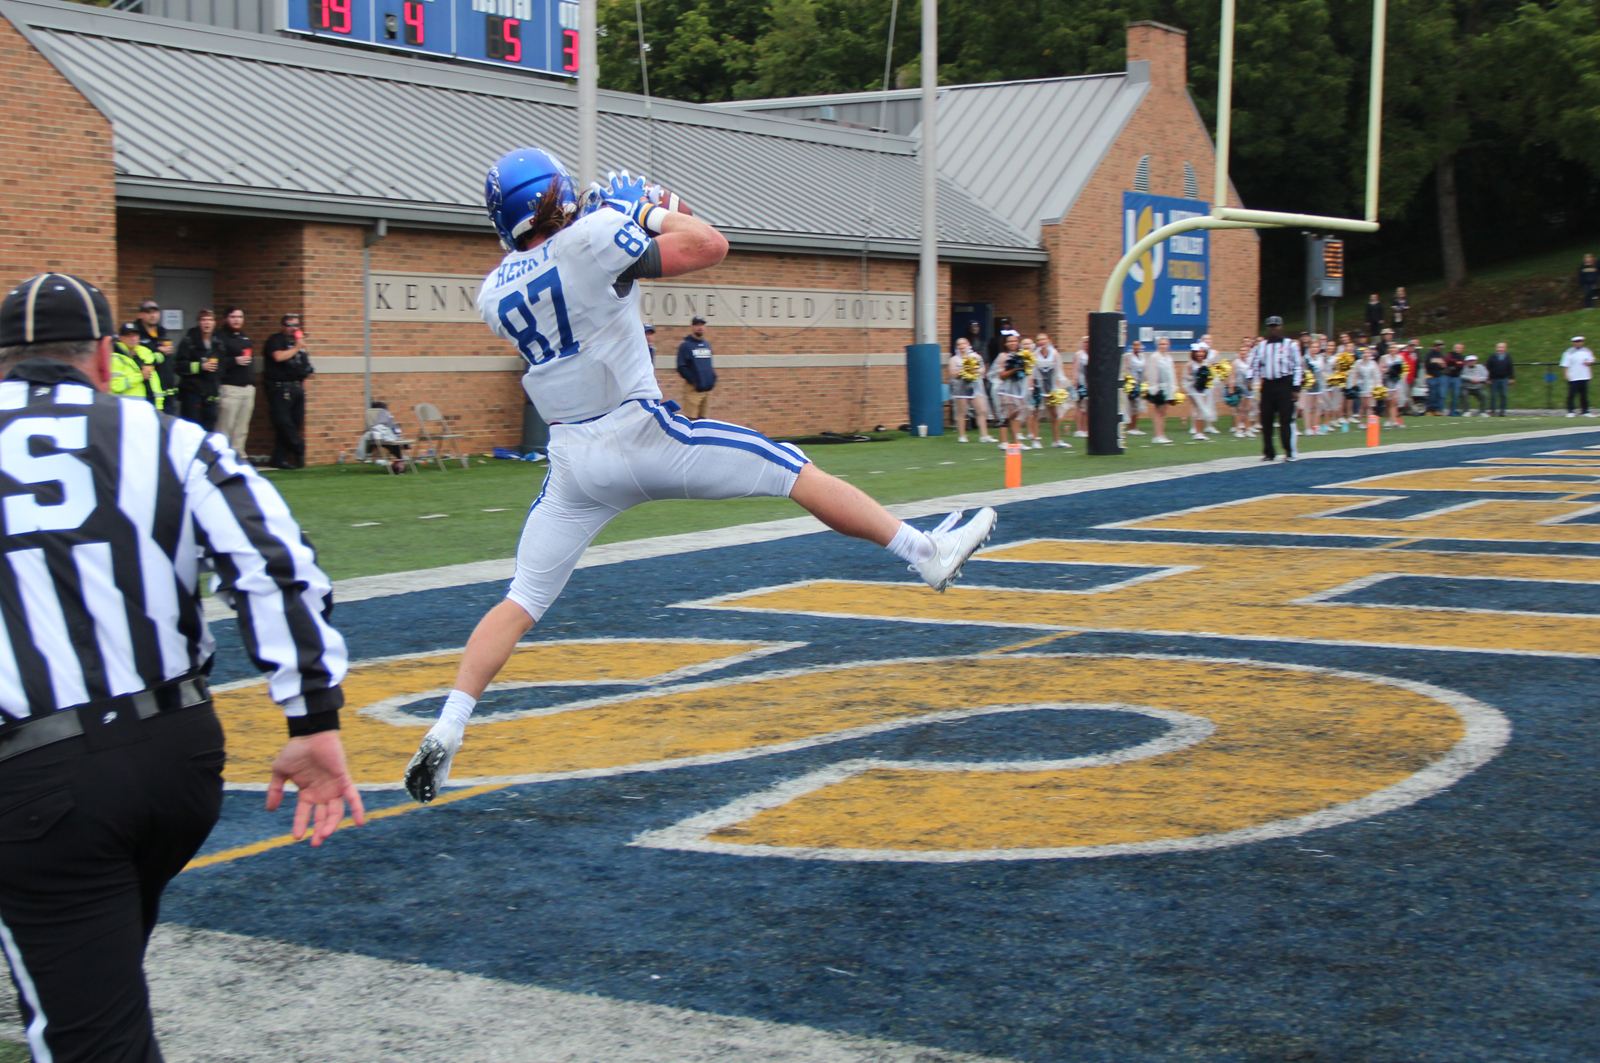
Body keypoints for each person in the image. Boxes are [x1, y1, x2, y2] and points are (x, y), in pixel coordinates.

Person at [402, 152, 997, 801]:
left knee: (520, 601)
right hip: (643, 434)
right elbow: (709, 245)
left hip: (573, 464)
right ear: (558, 194)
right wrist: (651, 206)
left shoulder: (493, 292)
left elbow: (568, 272)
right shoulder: (593, 237)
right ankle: (924, 551)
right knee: (792, 473)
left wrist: (613, 220)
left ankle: (448, 725)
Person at [0, 272, 363, 1063]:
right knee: (95, 973)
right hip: (176, 755)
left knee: (86, 1033)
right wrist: (312, 720)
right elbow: (280, 569)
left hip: (36, 778)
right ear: (104, 355)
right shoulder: (167, 437)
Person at [261, 313, 313, 469]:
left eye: (296, 325)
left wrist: (300, 349)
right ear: (282, 326)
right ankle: (299, 448)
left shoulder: (299, 345)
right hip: (280, 388)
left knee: (294, 424)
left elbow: (305, 367)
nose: (293, 329)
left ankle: (280, 458)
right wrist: (297, 347)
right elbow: (278, 357)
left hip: (297, 387)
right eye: (289, 325)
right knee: (283, 423)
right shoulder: (275, 340)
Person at [1248, 316, 1302, 462]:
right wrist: (1251, 378)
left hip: (1285, 384)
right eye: (1271, 326)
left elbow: (1298, 366)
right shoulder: (1262, 345)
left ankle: (1289, 451)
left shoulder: (1290, 344)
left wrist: (1296, 387)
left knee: (1286, 419)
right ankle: (1269, 452)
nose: (1273, 329)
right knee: (1266, 419)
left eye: (1276, 326)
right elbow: (1255, 363)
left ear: (1281, 327)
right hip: (1268, 385)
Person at [214, 307, 255, 457]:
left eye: (240, 317)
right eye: (233, 316)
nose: (237, 320)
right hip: (229, 388)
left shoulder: (244, 337)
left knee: (242, 428)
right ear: (226, 318)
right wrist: (234, 360)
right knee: (225, 427)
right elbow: (216, 362)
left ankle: (239, 457)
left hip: (247, 388)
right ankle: (220, 458)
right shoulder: (219, 338)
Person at [173, 308, 222, 430]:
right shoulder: (188, 342)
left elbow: (222, 368)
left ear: (214, 323)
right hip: (192, 395)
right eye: (204, 320)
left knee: (209, 430)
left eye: (210, 320)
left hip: (210, 395)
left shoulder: (218, 344)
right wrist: (200, 366)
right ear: (199, 322)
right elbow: (178, 365)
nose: (207, 323)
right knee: (192, 430)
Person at [133, 299, 175, 413]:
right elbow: (137, 360)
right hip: (148, 393)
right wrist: (158, 352)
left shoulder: (163, 333)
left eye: (155, 312)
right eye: (148, 312)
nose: (152, 315)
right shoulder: (135, 335)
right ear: (140, 315)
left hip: (167, 392)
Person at [949, 336, 994, 443]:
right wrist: (964, 371)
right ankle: (962, 435)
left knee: (982, 410)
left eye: (963, 343)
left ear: (969, 345)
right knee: (962, 412)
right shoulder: (954, 359)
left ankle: (984, 435)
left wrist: (973, 370)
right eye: (959, 344)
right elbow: (953, 374)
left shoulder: (976, 357)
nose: (961, 346)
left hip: (975, 386)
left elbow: (983, 370)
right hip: (961, 387)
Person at [988, 332, 1029, 448]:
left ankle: (1017, 442)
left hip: (1018, 389)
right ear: (1006, 344)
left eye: (1015, 341)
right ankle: (1004, 442)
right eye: (1010, 341)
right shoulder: (1003, 356)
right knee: (1005, 415)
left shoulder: (1023, 356)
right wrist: (1015, 369)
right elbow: (1001, 375)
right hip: (1004, 389)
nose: (1013, 343)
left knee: (1017, 415)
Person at [1031, 332, 1071, 448]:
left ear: (1048, 340)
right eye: (1039, 340)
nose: (1041, 342)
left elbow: (1059, 372)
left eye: (1044, 339)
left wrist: (1057, 388)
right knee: (1036, 413)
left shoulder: (1055, 355)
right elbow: (1031, 374)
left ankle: (1057, 440)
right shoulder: (1034, 355)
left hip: (1051, 387)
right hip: (1038, 387)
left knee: (1054, 414)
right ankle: (1035, 439)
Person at [675, 315, 715, 419]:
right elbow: (681, 367)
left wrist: (712, 378)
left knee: (704, 421)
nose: (700, 327)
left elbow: (708, 365)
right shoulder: (685, 346)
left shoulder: (707, 345)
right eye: (697, 325)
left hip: (706, 390)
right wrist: (694, 381)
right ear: (691, 327)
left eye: (702, 325)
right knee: (692, 420)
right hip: (693, 391)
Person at [1142, 336, 1179, 444]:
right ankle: (1157, 435)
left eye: (1165, 344)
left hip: (1168, 386)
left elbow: (1172, 373)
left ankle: (1162, 434)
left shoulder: (1168, 357)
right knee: (1158, 411)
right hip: (1159, 387)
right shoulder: (1155, 357)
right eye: (1161, 344)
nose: (1163, 346)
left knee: (1163, 411)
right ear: (1157, 345)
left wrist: (1174, 387)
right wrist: (1154, 388)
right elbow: (1151, 373)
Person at [111, 322, 153, 401]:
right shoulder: (115, 358)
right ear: (121, 338)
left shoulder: (144, 354)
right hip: (125, 404)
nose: (132, 338)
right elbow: (115, 385)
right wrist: (140, 376)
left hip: (144, 402)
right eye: (128, 336)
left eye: (135, 335)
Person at [1561, 335, 1594, 417]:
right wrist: (1566, 374)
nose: (1578, 343)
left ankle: (1585, 411)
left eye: (1580, 342)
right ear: (1573, 343)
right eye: (1576, 342)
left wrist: (1589, 362)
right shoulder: (1568, 352)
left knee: (1584, 395)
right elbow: (1565, 365)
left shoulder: (1587, 351)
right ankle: (1570, 411)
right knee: (1572, 395)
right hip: (1573, 377)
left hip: (1584, 376)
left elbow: (1591, 359)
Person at [1122, 340, 1146, 435]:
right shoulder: (1128, 356)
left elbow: (1145, 370)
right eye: (1135, 345)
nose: (1137, 347)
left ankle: (1134, 427)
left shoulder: (1143, 356)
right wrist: (1128, 382)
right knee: (1129, 405)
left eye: (1139, 345)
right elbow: (1125, 369)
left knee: (1137, 406)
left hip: (1140, 382)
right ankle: (1129, 427)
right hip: (1131, 383)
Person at [1486, 341, 1515, 417]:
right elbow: (1488, 368)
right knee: (1493, 396)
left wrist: (1511, 377)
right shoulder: (1492, 356)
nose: (1501, 349)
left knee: (1504, 395)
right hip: (1494, 379)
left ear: (1505, 348)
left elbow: (1510, 368)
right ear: (1497, 348)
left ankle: (1502, 411)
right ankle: (1493, 411)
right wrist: (1488, 378)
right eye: (1499, 347)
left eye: (1502, 347)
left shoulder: (1507, 357)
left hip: (1503, 379)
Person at [1422, 341, 1447, 415]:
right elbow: (1427, 365)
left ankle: (1436, 409)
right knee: (1432, 393)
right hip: (1431, 376)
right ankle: (1429, 410)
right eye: (1439, 347)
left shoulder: (1440, 354)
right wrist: (1436, 363)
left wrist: (1443, 366)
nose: (1440, 349)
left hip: (1438, 376)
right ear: (1436, 346)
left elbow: (1441, 366)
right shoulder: (1429, 353)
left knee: (1438, 393)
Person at [1444, 343, 1468, 416]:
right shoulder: (1450, 354)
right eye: (1457, 348)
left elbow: (1462, 365)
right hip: (1447, 376)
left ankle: (1453, 411)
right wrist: (1456, 362)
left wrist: (1455, 363)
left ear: (1462, 349)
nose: (1458, 349)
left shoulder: (1462, 357)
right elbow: (1448, 360)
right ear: (1454, 348)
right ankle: (1440, 410)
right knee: (1443, 394)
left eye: (1460, 348)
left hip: (1457, 377)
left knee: (1455, 395)